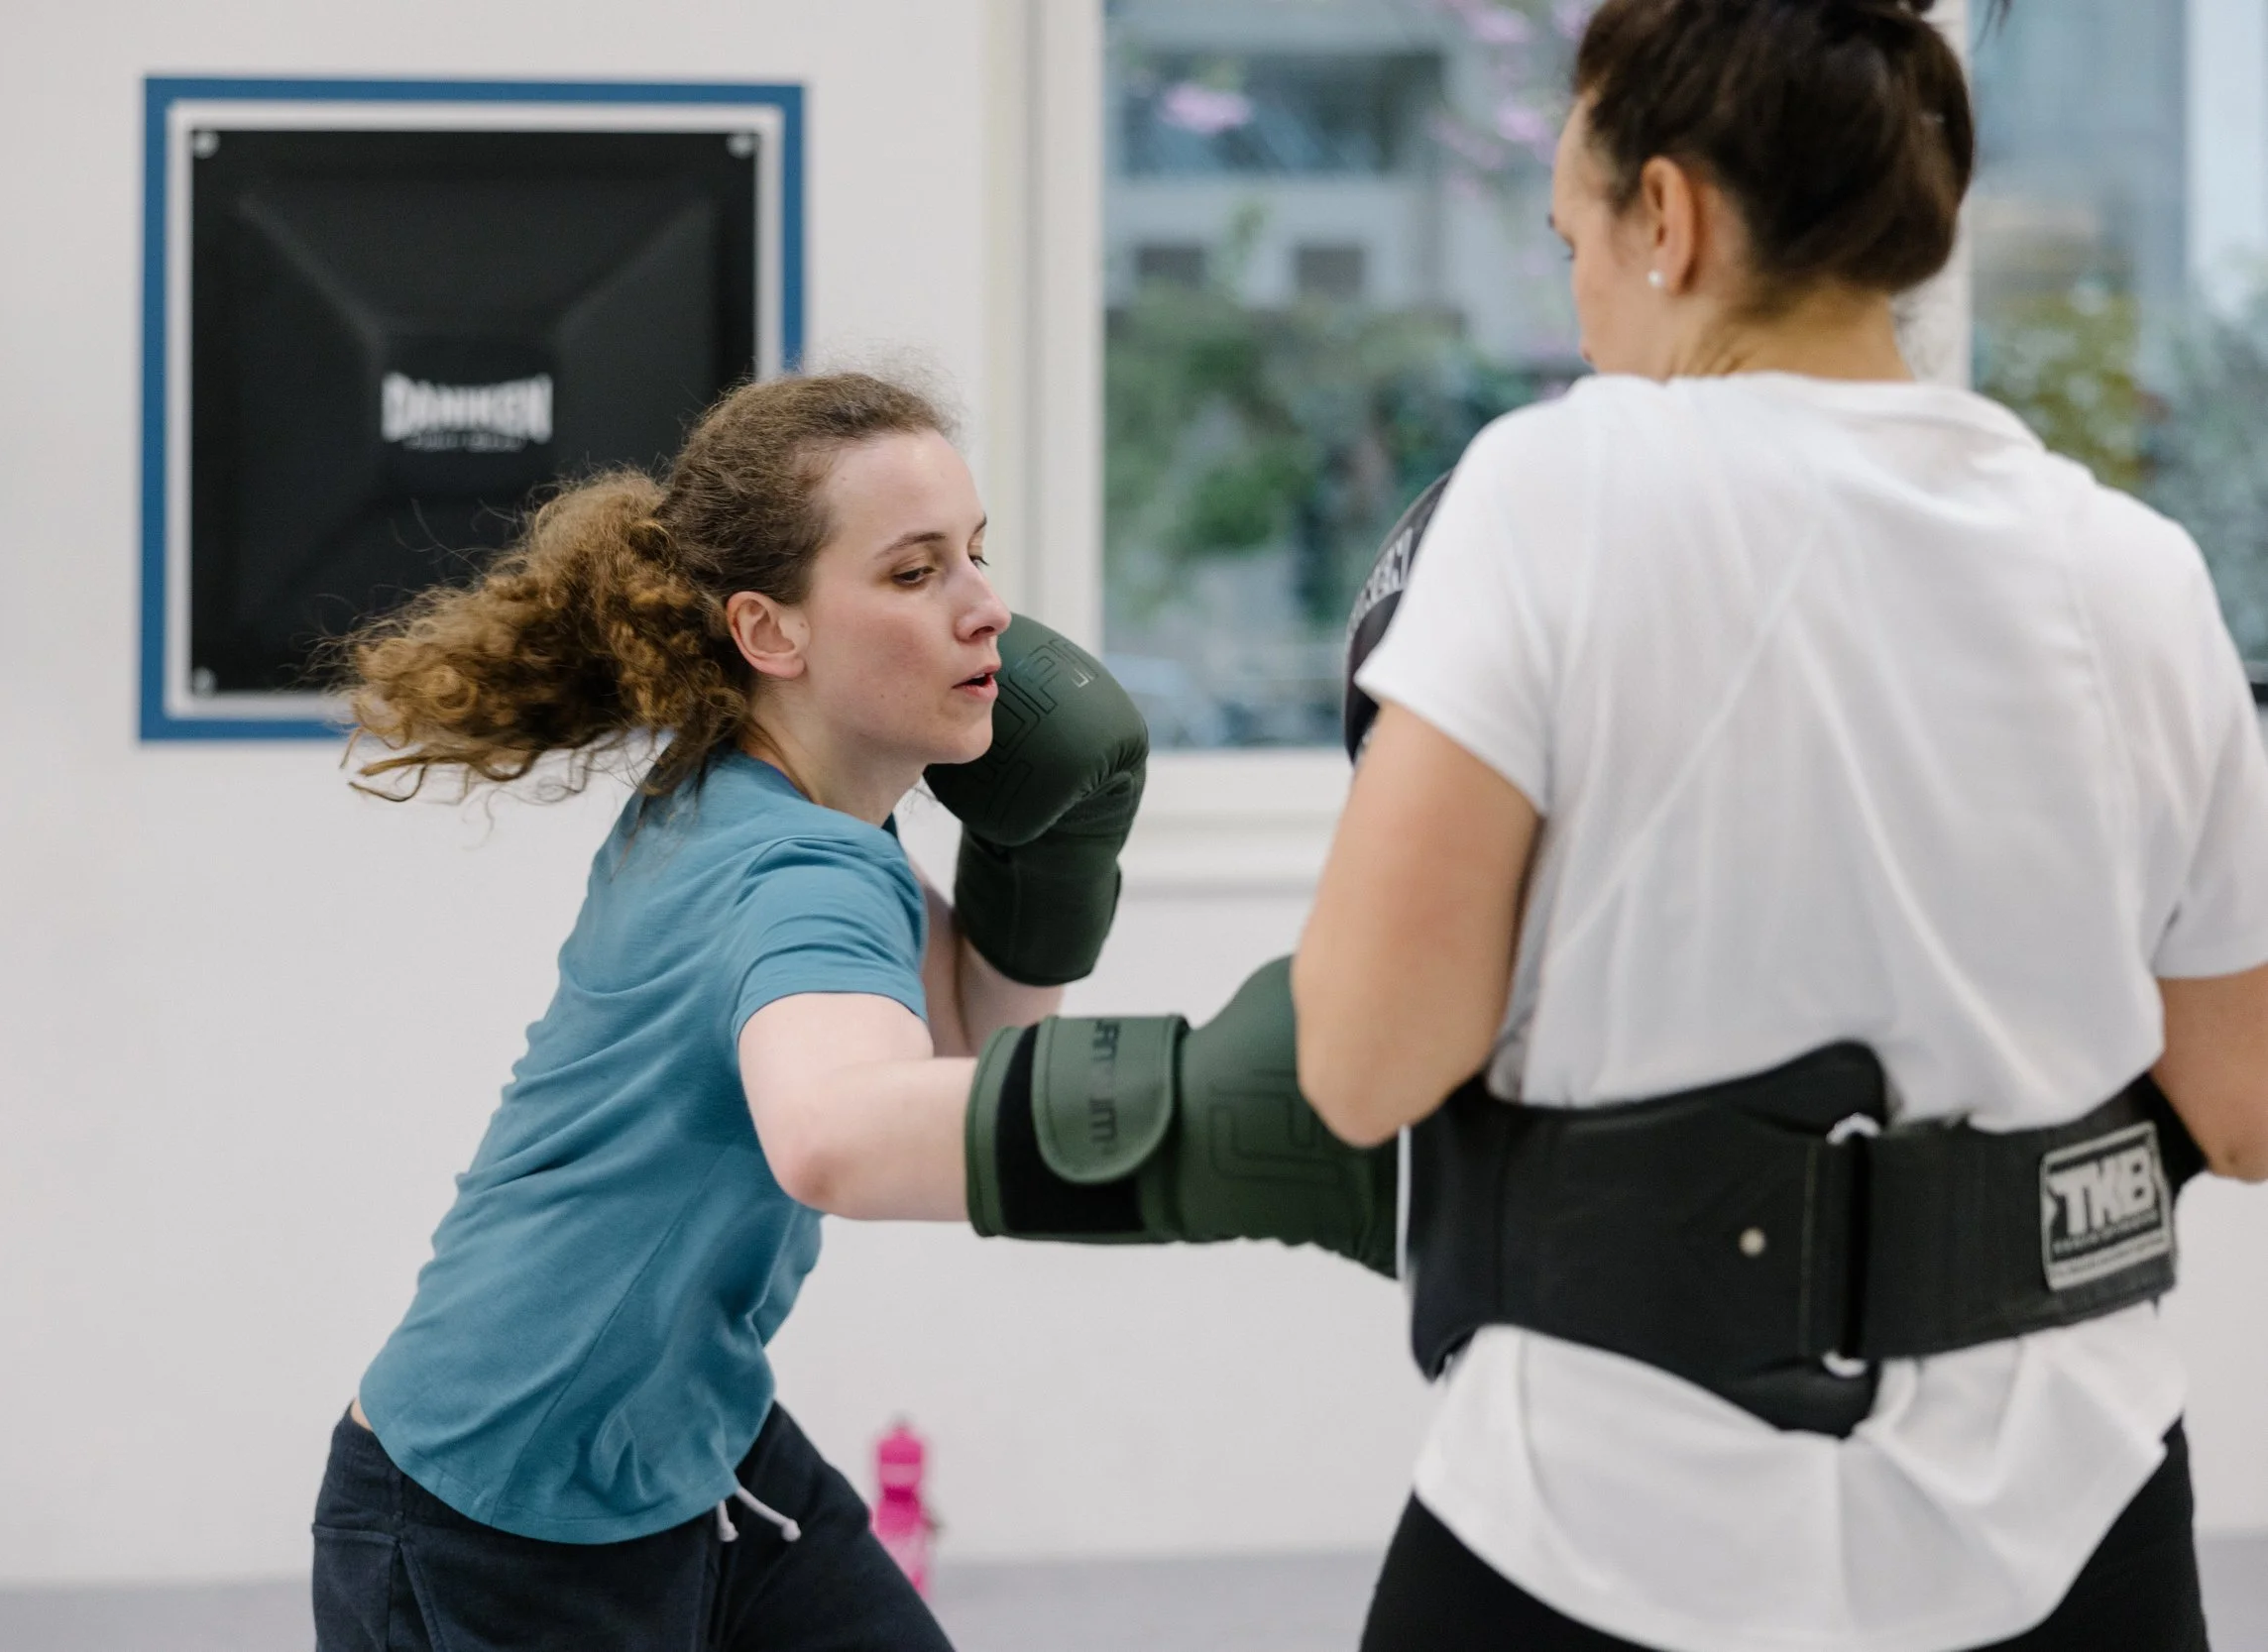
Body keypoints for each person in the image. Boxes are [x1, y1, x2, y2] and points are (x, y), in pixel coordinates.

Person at [1286, 0, 2268, 1648]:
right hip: (2069, 1518)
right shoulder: (2138, 575)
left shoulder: (1550, 493)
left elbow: (1367, 1060)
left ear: (1666, 217)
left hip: (1606, 1521)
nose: (1583, 297)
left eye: (1575, 239)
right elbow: (2241, 1105)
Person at [307, 372, 1148, 1651]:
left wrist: (1059, 858)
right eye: (916, 574)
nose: (990, 611)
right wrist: (1172, 1119)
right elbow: (835, 1134)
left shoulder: (760, 796)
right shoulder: (797, 871)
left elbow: (977, 1041)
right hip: (493, 1517)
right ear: (770, 631)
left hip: (683, 1440)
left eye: (978, 555)